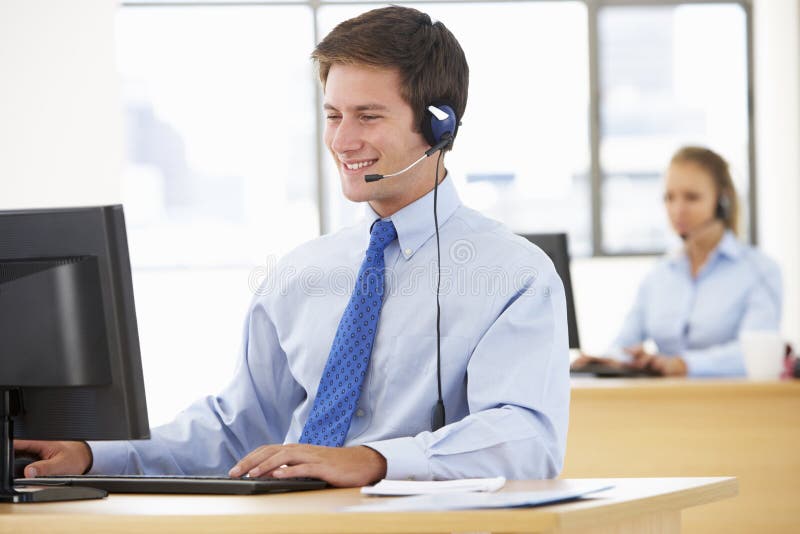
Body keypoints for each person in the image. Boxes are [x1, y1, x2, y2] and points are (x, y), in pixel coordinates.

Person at [15, 6, 570, 486]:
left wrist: (374, 460)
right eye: (333, 116)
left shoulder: (515, 275)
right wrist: (94, 455)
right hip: (293, 519)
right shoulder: (301, 273)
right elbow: (236, 429)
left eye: (367, 116)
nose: (342, 141)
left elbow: (525, 438)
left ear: (438, 125)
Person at [573, 146, 781, 377]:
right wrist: (609, 359)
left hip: (729, 405)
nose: (677, 210)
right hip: (665, 405)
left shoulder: (760, 271)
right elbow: (625, 341)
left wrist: (683, 364)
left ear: (723, 201)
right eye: (669, 198)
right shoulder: (660, 273)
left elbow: (755, 355)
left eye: (691, 197)